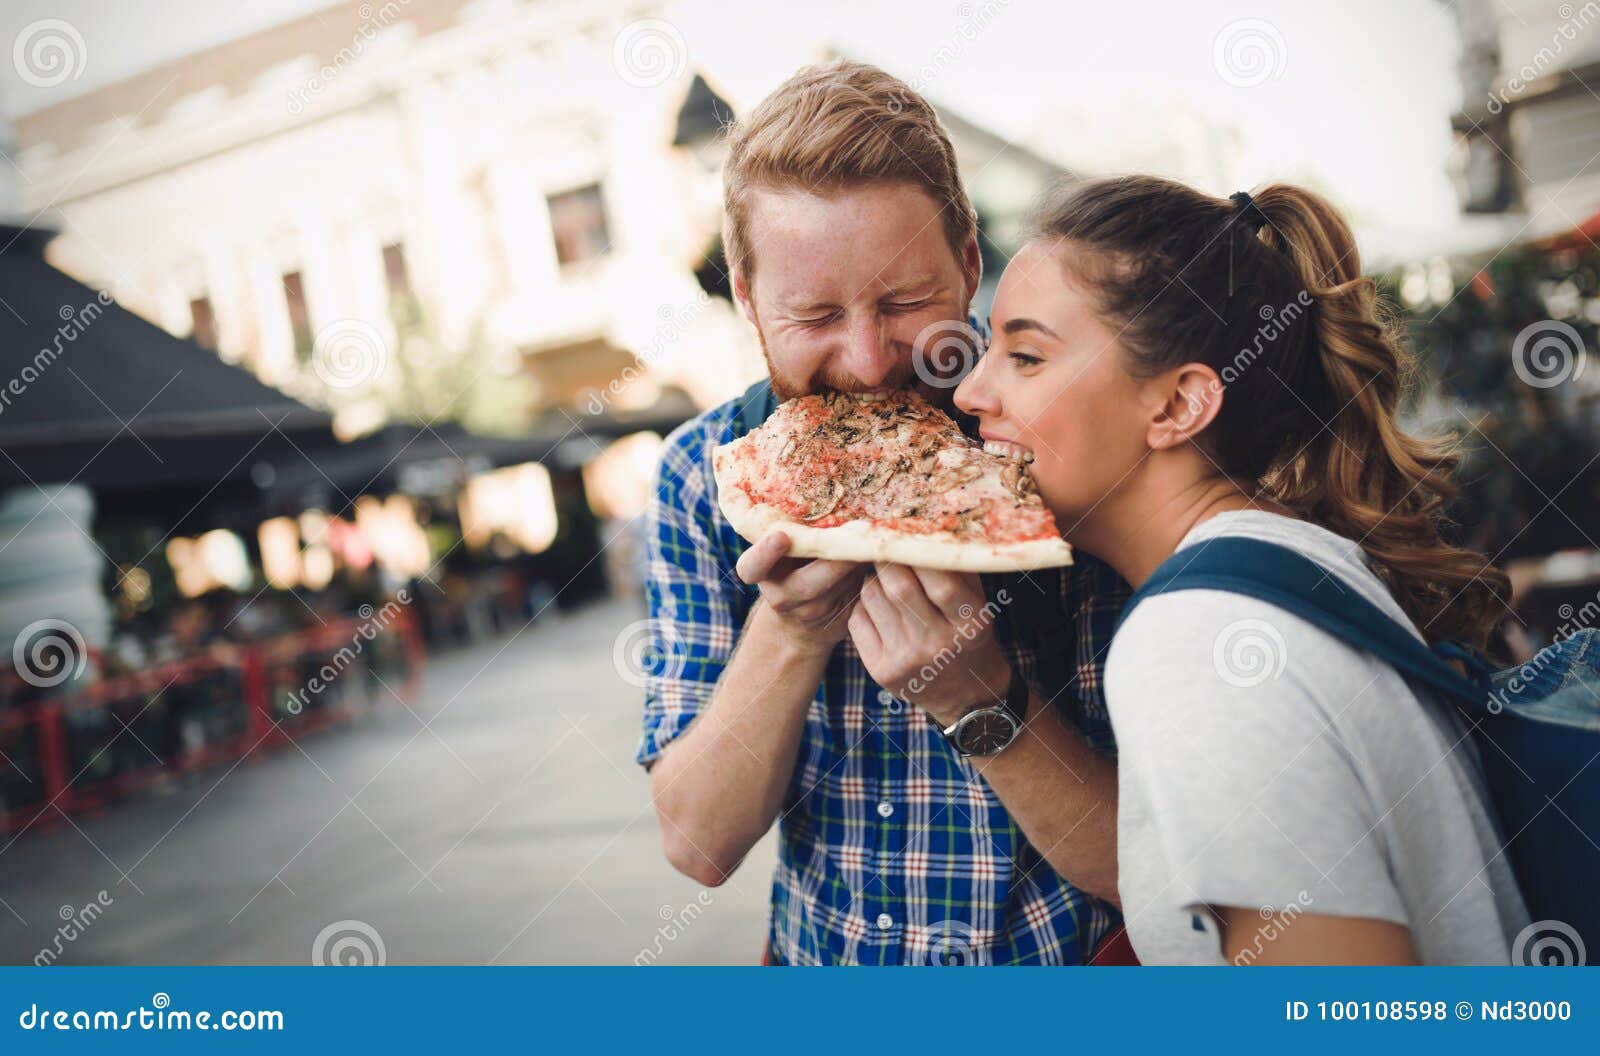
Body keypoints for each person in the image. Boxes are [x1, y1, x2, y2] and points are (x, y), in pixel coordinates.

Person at [944, 173, 1531, 964]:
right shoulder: (1289, 558)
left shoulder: (1197, 644)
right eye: (985, 350)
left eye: (1024, 355)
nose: (972, 390)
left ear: (1179, 405)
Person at [637, 61, 1129, 966]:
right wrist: (788, 630)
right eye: (815, 314)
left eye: (905, 302)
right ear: (747, 297)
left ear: (970, 264)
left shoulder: (1067, 442)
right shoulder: (698, 477)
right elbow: (699, 845)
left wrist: (980, 700)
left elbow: (1152, 868)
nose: (866, 362)